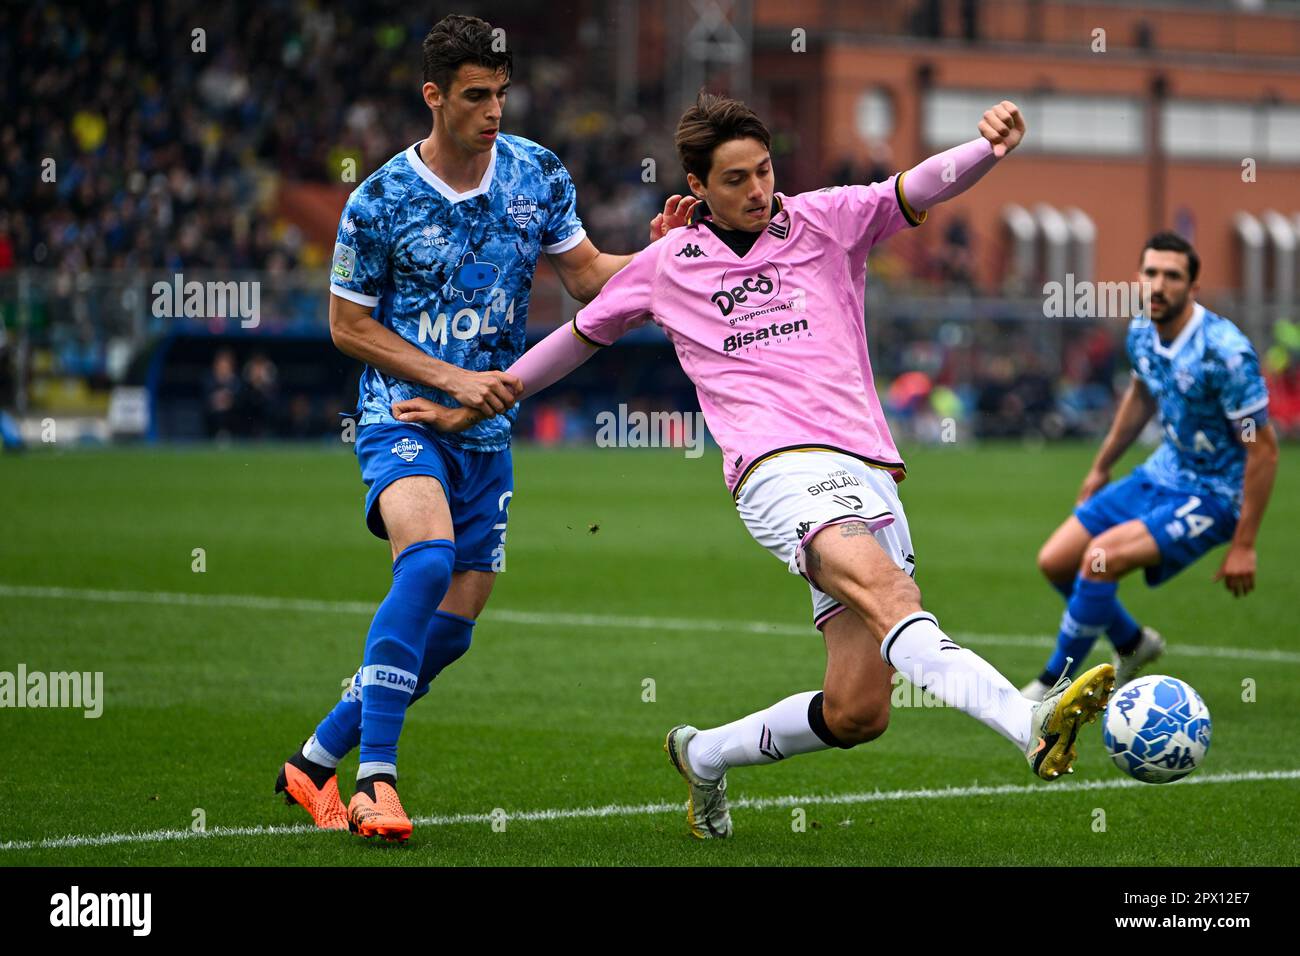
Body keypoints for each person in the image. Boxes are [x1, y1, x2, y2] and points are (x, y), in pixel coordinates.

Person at [398, 92, 1115, 840]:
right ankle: (1027, 718)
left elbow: (916, 185)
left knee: (859, 710)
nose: (756, 190)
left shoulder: (825, 221)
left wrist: (987, 148)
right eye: (735, 179)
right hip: (776, 471)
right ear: (697, 187)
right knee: (888, 590)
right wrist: (481, 401)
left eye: (764, 171)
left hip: (866, 467)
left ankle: (704, 754)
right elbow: (578, 336)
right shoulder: (668, 262)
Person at [274, 14, 692, 841]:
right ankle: (377, 782)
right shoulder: (379, 199)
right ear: (433, 96)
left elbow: (584, 279)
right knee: (424, 562)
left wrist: (657, 256)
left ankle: (314, 760)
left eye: (501, 92)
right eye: (475, 96)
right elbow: (347, 327)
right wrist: (450, 376)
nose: (494, 109)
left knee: (455, 632)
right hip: (402, 412)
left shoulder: (537, 173)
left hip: (486, 430)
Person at [1022, 233, 1279, 700]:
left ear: (1193, 285)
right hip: (1160, 473)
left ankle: (1051, 687)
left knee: (1099, 560)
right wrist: (1101, 467)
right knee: (1055, 561)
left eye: (1173, 276)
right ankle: (1133, 643)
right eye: (1151, 273)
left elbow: (1263, 448)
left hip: (1214, 494)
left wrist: (1244, 543)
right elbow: (1142, 395)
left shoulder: (1225, 352)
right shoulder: (1141, 329)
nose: (1159, 285)